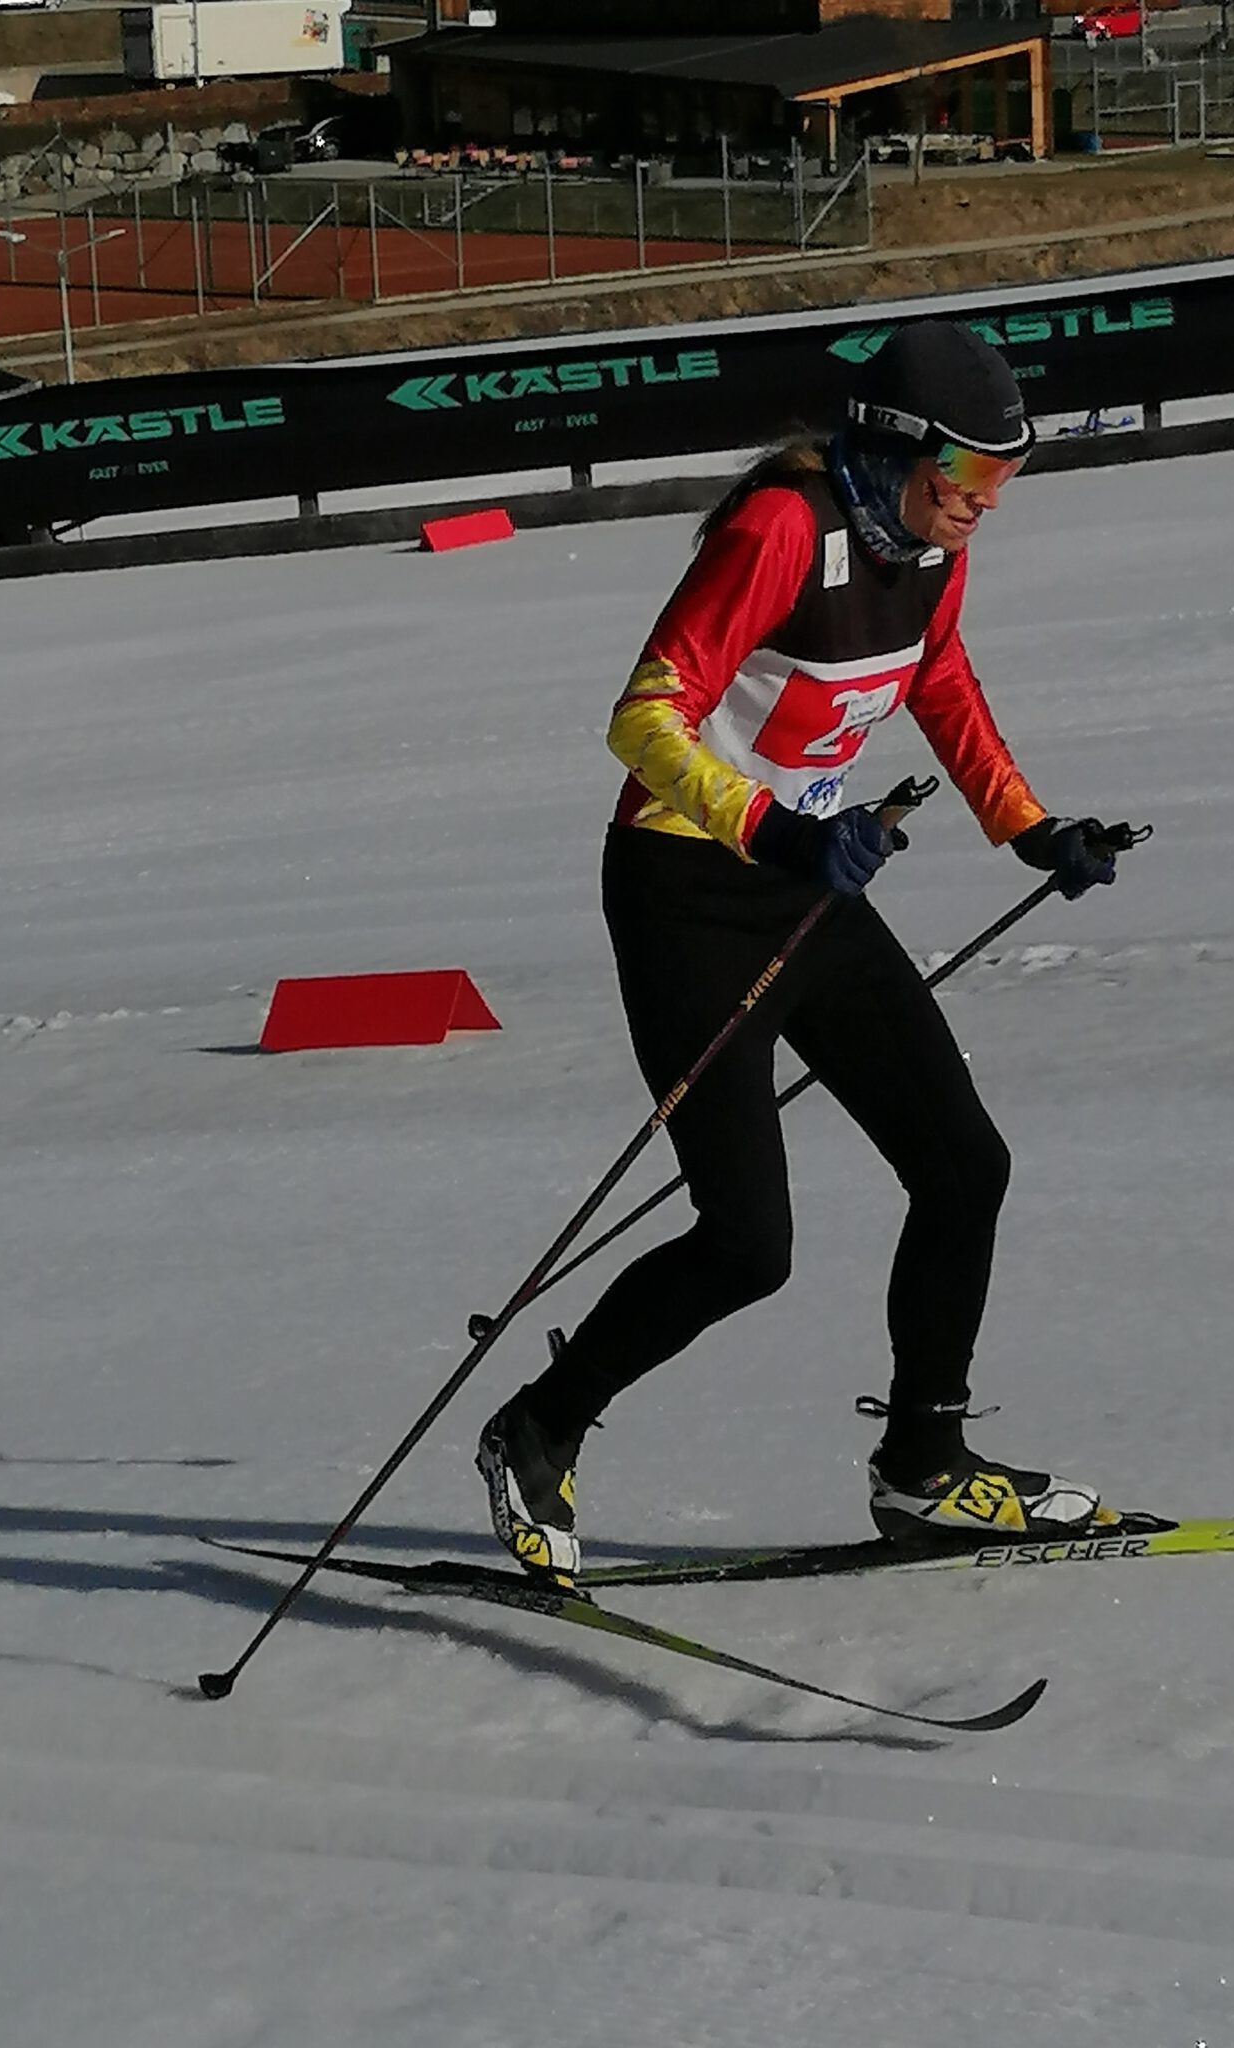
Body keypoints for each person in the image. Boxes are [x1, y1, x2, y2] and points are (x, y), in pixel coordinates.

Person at [477, 319, 1119, 1581]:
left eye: (1007, 478)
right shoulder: (781, 528)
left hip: (803, 884)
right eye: (969, 476)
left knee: (962, 1163)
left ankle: (925, 1466)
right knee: (746, 1244)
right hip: (685, 892)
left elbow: (940, 680)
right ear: (890, 448)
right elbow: (644, 718)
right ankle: (538, 1424)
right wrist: (770, 829)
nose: (985, 506)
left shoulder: (928, 548)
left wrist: (1033, 828)